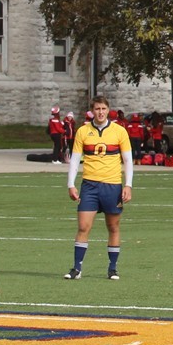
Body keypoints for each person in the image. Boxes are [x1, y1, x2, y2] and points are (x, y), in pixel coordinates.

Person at [64, 95, 133, 280]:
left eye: (103, 109)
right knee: (83, 226)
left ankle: (112, 268)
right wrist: (70, 184)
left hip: (112, 186)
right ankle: (76, 269)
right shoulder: (82, 131)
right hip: (90, 185)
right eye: (97, 109)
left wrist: (128, 185)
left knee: (113, 227)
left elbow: (128, 160)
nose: (100, 112)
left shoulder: (119, 131)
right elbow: (75, 160)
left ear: (108, 110)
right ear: (92, 111)